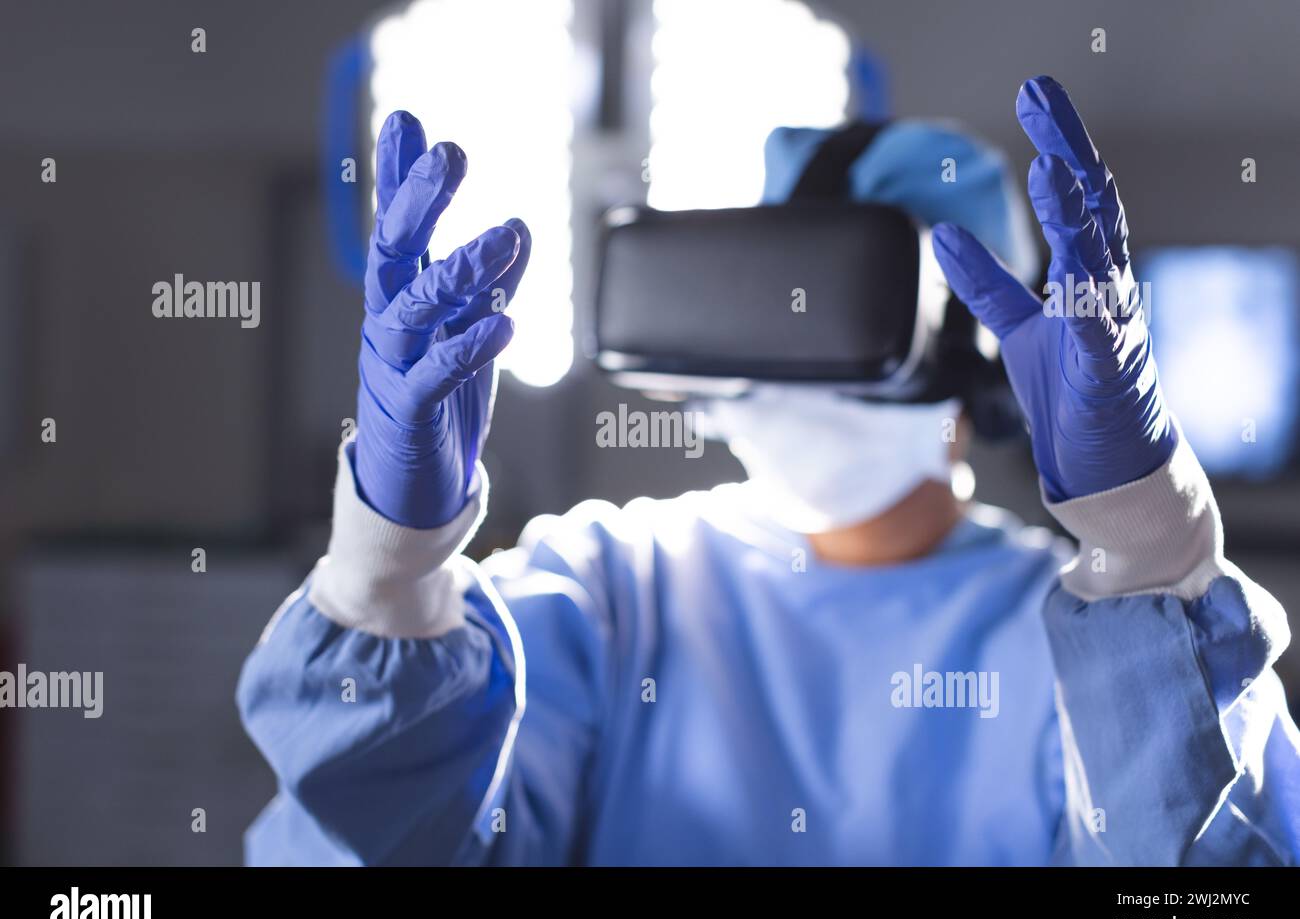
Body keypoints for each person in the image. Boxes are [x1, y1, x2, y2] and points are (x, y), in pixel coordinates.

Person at [236, 76, 1300, 865]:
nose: (798, 358)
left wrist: (1151, 553)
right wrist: (387, 575)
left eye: (850, 315)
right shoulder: (611, 590)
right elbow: (349, 852)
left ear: (986, 371)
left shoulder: (1084, 646)